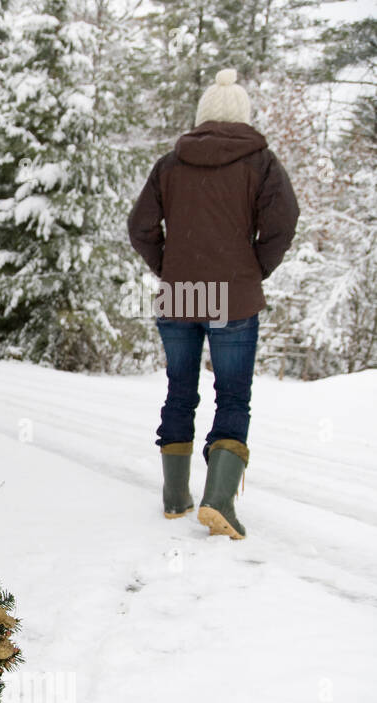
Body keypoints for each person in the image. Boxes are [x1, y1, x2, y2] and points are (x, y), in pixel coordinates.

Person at [128, 68, 299, 540]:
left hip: (180, 294)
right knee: (233, 395)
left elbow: (140, 227)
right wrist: (252, 270)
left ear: (201, 117)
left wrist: (170, 268)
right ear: (242, 116)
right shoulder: (261, 162)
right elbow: (284, 224)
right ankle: (219, 501)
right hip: (235, 296)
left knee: (180, 391)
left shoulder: (170, 163)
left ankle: (174, 497)